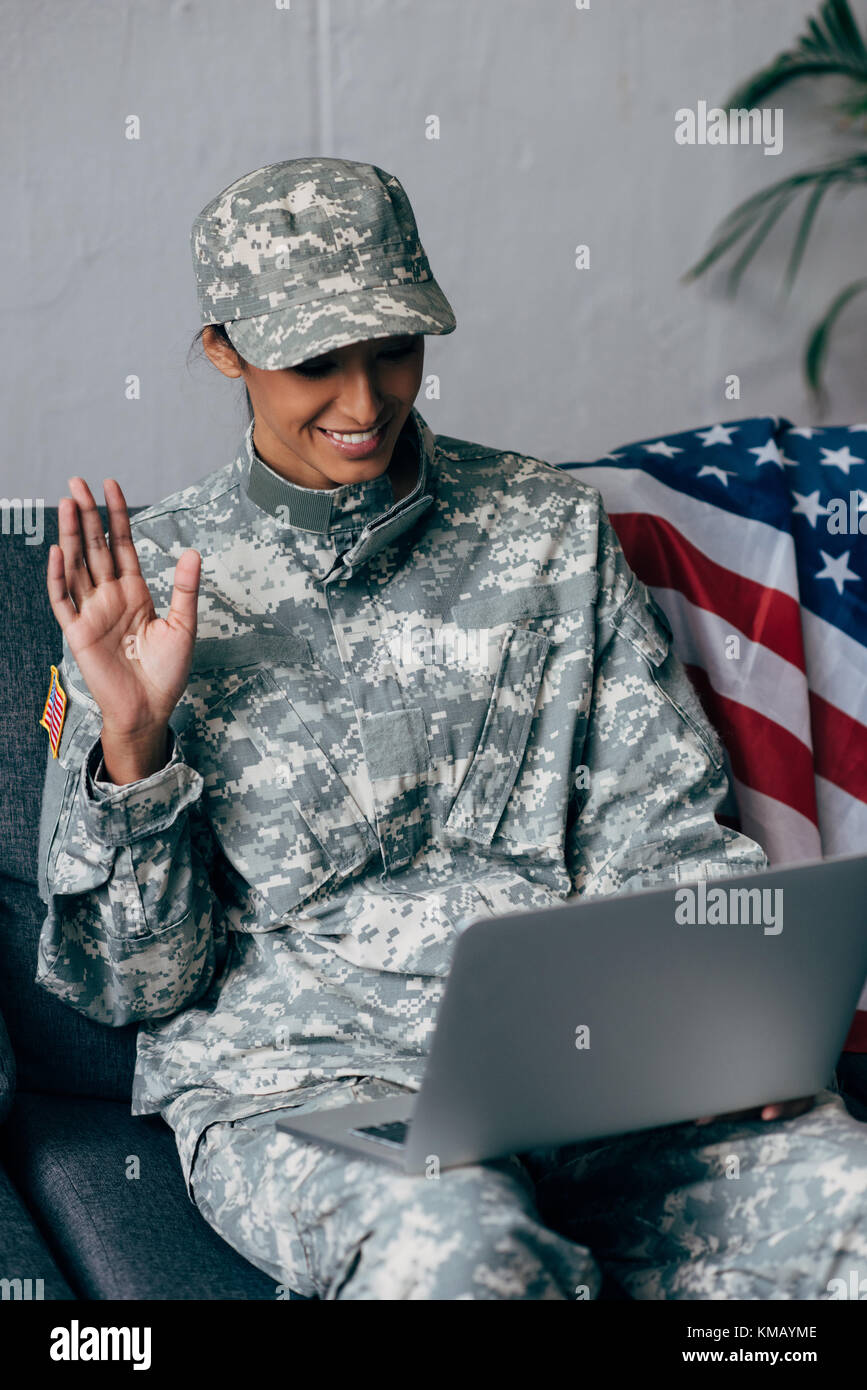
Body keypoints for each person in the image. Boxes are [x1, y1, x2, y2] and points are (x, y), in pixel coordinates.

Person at [35, 157, 867, 1301]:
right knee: (461, 1252)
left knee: (850, 1205)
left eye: (394, 349)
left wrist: (720, 1024)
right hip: (309, 1087)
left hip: (591, 1075)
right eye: (316, 362)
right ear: (225, 348)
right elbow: (135, 986)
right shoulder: (141, 596)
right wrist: (133, 741)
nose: (365, 402)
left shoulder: (549, 531)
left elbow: (661, 828)